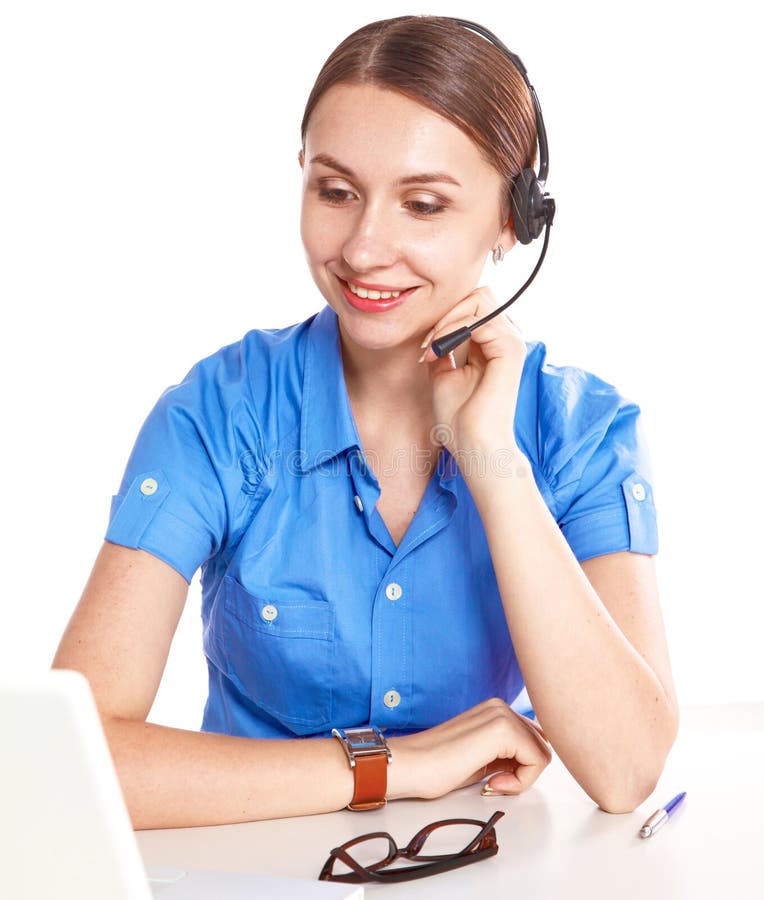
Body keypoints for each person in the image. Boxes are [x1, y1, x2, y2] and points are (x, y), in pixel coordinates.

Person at [53, 15, 678, 829]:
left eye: (423, 204)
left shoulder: (583, 432)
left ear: (514, 219)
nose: (363, 246)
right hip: (247, 872)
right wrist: (397, 767)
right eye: (336, 191)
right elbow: (73, 765)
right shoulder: (217, 415)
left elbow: (626, 768)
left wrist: (493, 460)